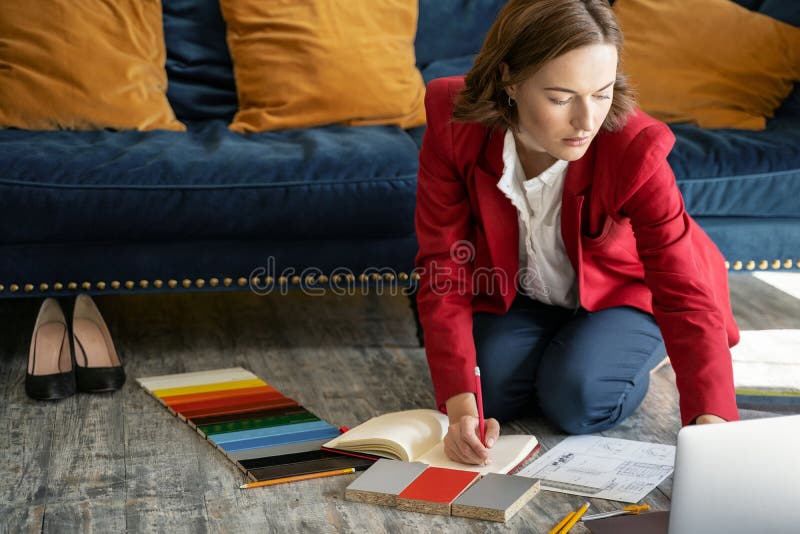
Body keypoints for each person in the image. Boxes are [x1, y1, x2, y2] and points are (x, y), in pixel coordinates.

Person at [413, 0, 740, 466]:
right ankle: (570, 349)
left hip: (629, 291)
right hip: (533, 295)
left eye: (602, 93)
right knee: (489, 394)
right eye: (561, 98)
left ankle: (648, 347)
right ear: (510, 80)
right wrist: (460, 409)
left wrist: (713, 427)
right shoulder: (453, 118)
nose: (587, 121)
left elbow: (683, 291)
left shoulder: (635, 147)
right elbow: (443, 263)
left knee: (578, 399)